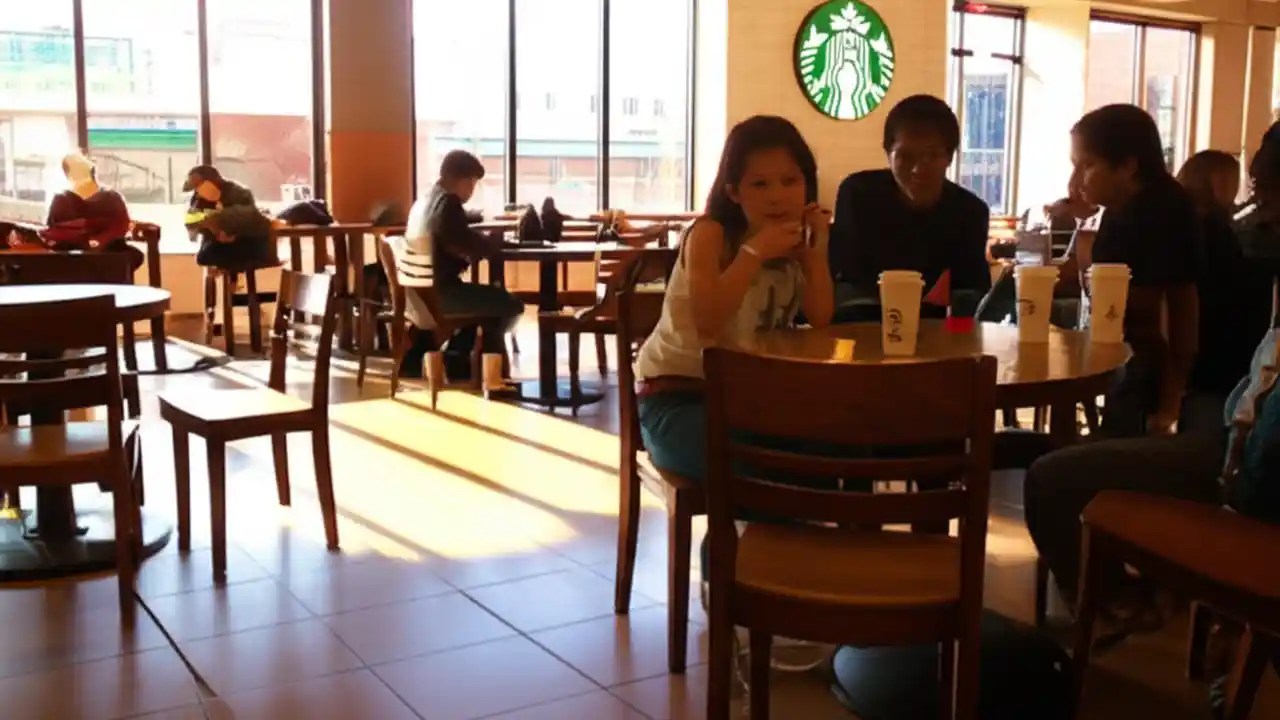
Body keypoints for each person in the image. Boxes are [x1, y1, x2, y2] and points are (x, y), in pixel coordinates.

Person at [633, 114, 835, 671]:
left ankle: (786, 596)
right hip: (674, 401)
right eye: (760, 184)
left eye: (791, 182)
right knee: (764, 466)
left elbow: (821, 321)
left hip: (747, 405)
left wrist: (815, 254)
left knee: (831, 456)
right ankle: (735, 587)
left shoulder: (796, 245)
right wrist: (754, 253)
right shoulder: (712, 235)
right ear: (732, 191)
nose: (778, 197)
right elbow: (706, 324)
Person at [1068, 104, 1200, 437]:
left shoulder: (1166, 212)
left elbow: (1181, 310)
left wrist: (1169, 409)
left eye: (1088, 165)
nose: (1075, 181)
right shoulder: (1119, 209)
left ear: (1127, 166)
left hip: (1163, 385)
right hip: (1128, 365)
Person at [829, 94, 990, 320]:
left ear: (950, 157)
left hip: (937, 336)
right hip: (864, 331)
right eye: (906, 156)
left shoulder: (970, 212)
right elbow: (849, 283)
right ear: (888, 153)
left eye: (932, 155)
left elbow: (970, 300)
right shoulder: (859, 195)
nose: (917, 169)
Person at [400, 150, 523, 378]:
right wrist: (493, 245)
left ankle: (454, 356)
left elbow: (451, 232)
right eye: (473, 183)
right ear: (464, 180)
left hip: (416, 294)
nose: (472, 189)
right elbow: (458, 241)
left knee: (484, 302)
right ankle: (489, 375)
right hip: (441, 296)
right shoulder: (448, 202)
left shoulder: (423, 201)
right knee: (507, 303)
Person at [1176, 151, 1273, 430]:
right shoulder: (1217, 232)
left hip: (1198, 368)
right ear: (1218, 182)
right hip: (1220, 376)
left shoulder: (1186, 225)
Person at [39, 152, 143, 270]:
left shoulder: (111, 198)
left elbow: (120, 227)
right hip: (70, 255)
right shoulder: (61, 199)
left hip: (106, 254)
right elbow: (53, 231)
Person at [183, 165, 276, 269]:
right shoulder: (199, 199)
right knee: (204, 256)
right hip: (218, 244)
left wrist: (220, 221)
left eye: (199, 185)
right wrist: (205, 225)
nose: (197, 190)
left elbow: (250, 217)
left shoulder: (238, 193)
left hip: (246, 243)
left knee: (210, 254)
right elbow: (191, 221)